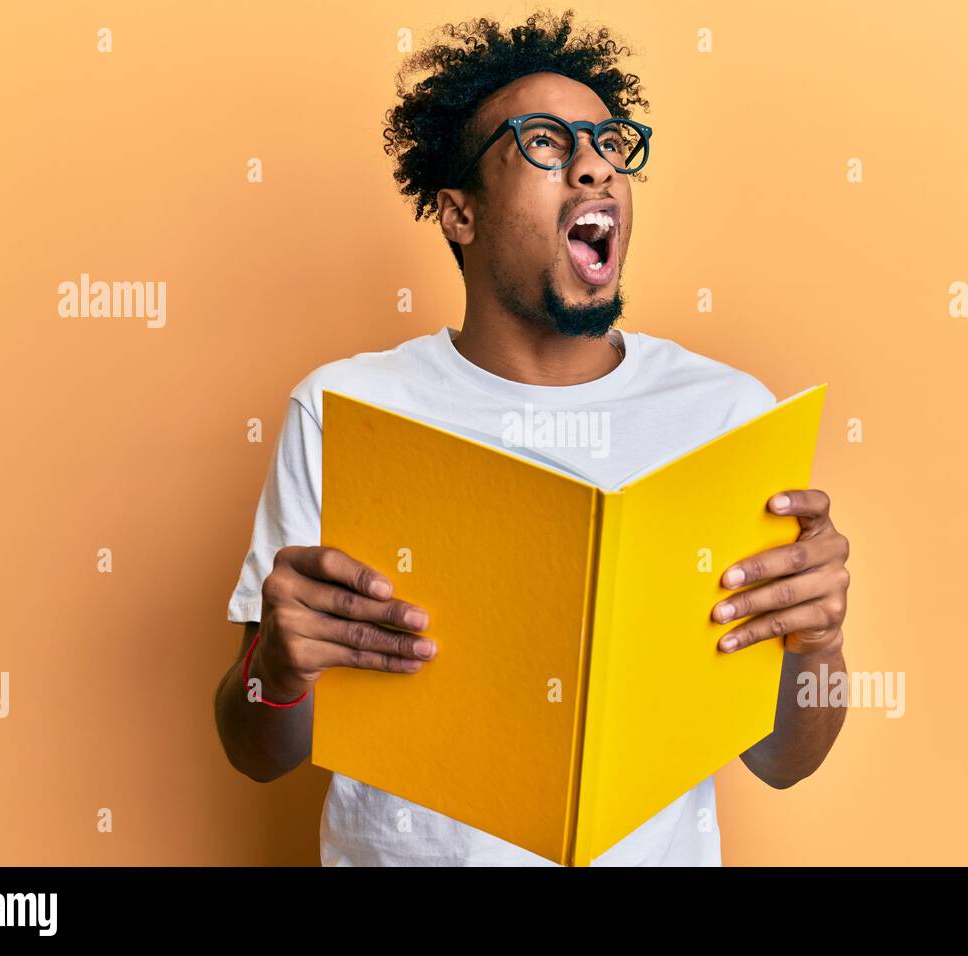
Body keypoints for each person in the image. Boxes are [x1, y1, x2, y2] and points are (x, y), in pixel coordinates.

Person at [214, 9, 850, 866]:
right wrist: (278, 675)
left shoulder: (726, 418)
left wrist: (821, 643)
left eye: (610, 143)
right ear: (458, 214)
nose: (595, 165)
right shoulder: (344, 410)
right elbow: (255, 753)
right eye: (546, 142)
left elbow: (785, 761)